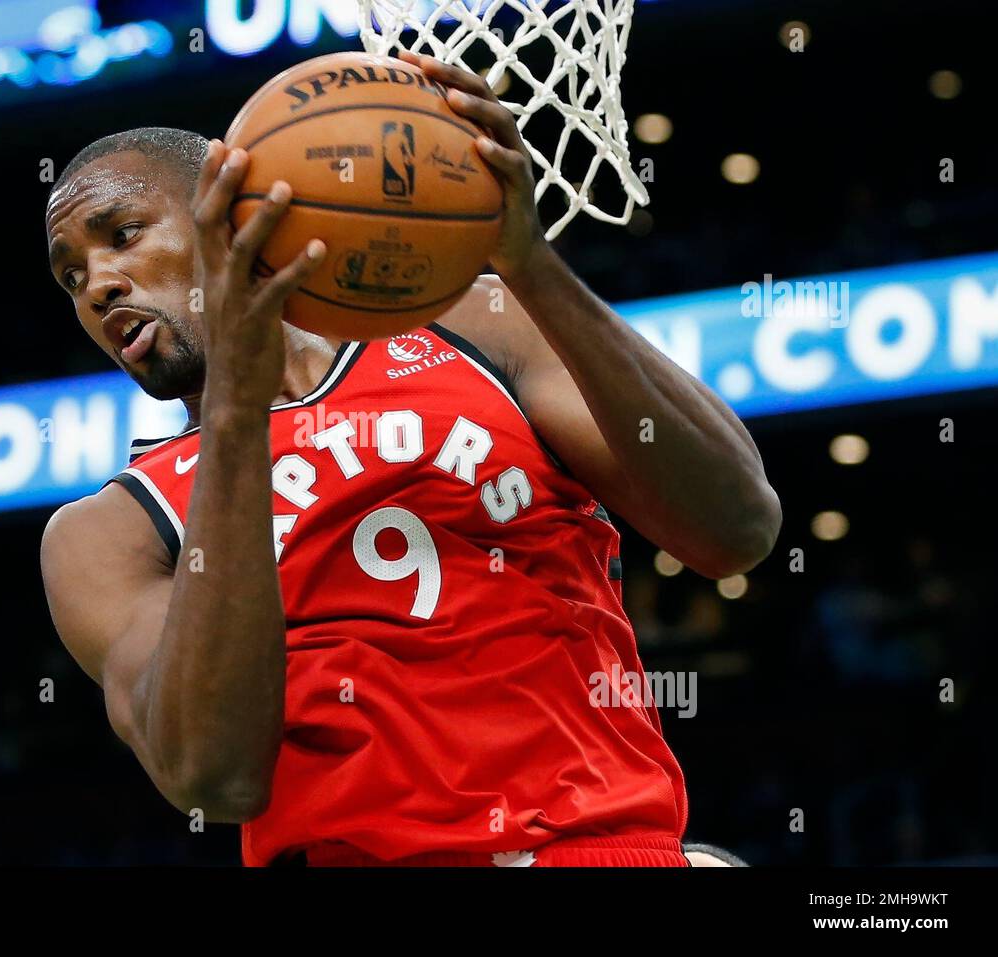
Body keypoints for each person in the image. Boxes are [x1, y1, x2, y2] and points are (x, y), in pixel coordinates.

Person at [40, 53, 781, 866]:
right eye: (72, 275)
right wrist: (237, 417)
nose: (99, 286)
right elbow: (213, 777)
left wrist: (529, 263)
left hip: (593, 845)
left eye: (122, 234)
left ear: (228, 202)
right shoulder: (110, 529)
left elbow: (736, 525)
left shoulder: (473, 326)